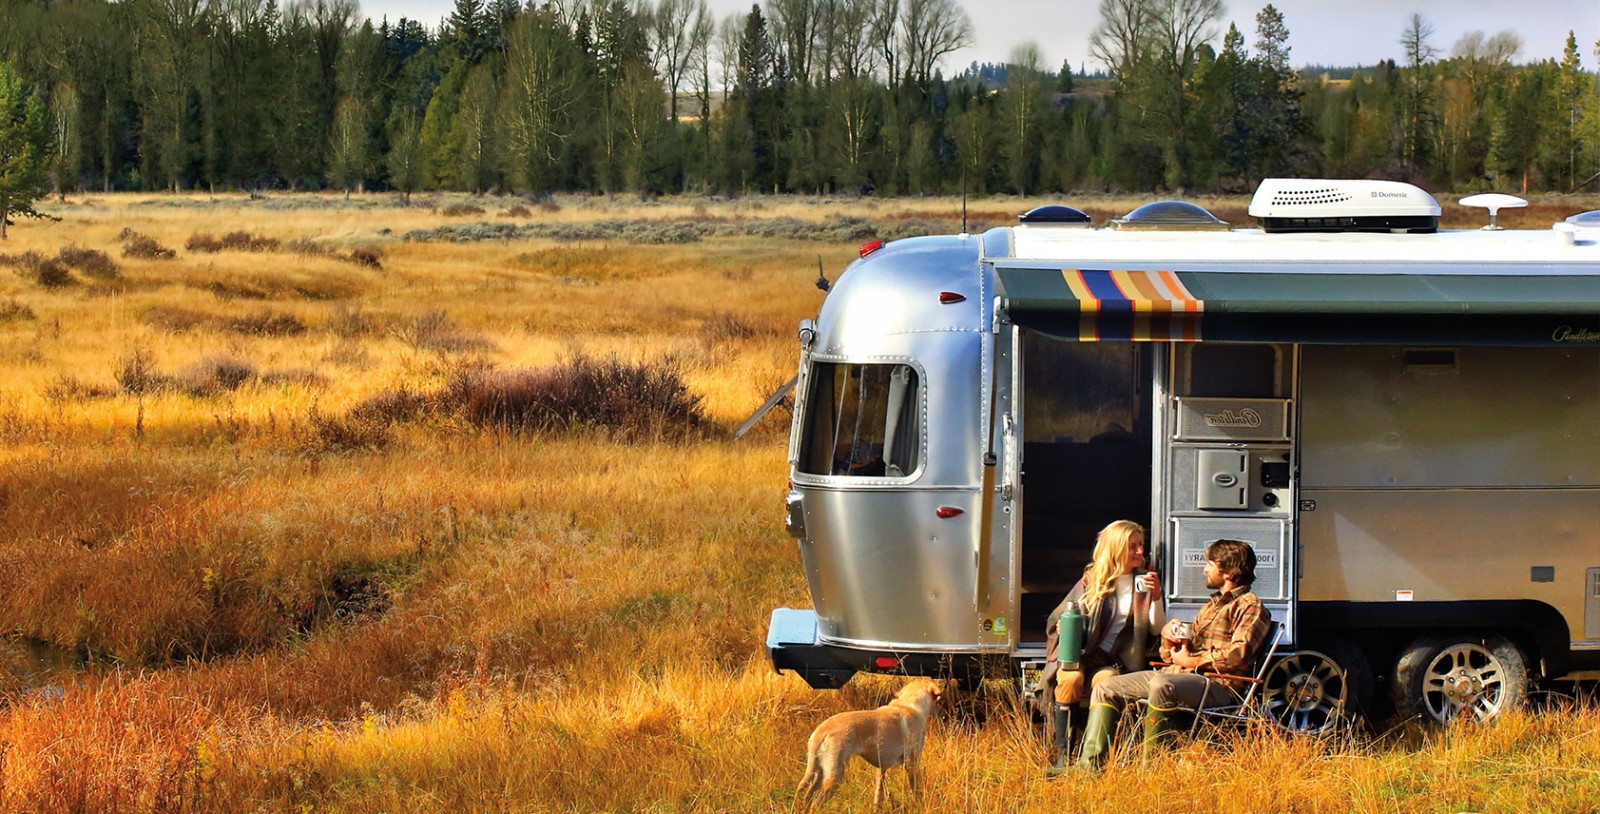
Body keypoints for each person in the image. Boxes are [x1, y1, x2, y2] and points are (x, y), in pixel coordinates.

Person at [1074, 538, 1272, 770]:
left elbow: (1239, 653)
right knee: (1106, 687)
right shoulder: (1211, 606)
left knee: (1162, 683)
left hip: (1219, 685)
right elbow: (1175, 656)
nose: (1204, 569)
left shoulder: (1250, 606)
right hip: (1181, 676)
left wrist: (1193, 660)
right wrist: (1169, 642)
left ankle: (1152, 768)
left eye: (1210, 563)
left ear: (1228, 572)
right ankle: (1089, 766)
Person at [1038, 520, 1165, 775]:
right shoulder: (1091, 580)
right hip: (1083, 656)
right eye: (1133, 547)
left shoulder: (1143, 582)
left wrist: (1157, 597)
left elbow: (1155, 629)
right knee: (1070, 680)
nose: (1141, 552)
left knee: (1106, 684)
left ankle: (1094, 756)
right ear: (1116, 549)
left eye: (1142, 545)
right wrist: (1066, 628)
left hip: (1112, 660)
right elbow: (1058, 617)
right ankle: (1064, 754)